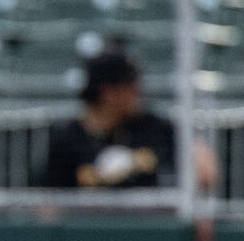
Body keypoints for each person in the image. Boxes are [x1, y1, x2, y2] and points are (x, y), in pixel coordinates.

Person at [41, 48, 217, 192]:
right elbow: (46, 200)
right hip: (87, 230)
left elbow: (205, 171)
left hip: (148, 228)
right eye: (130, 85)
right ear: (107, 93)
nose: (138, 92)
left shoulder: (153, 126)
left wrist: (198, 154)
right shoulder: (68, 138)